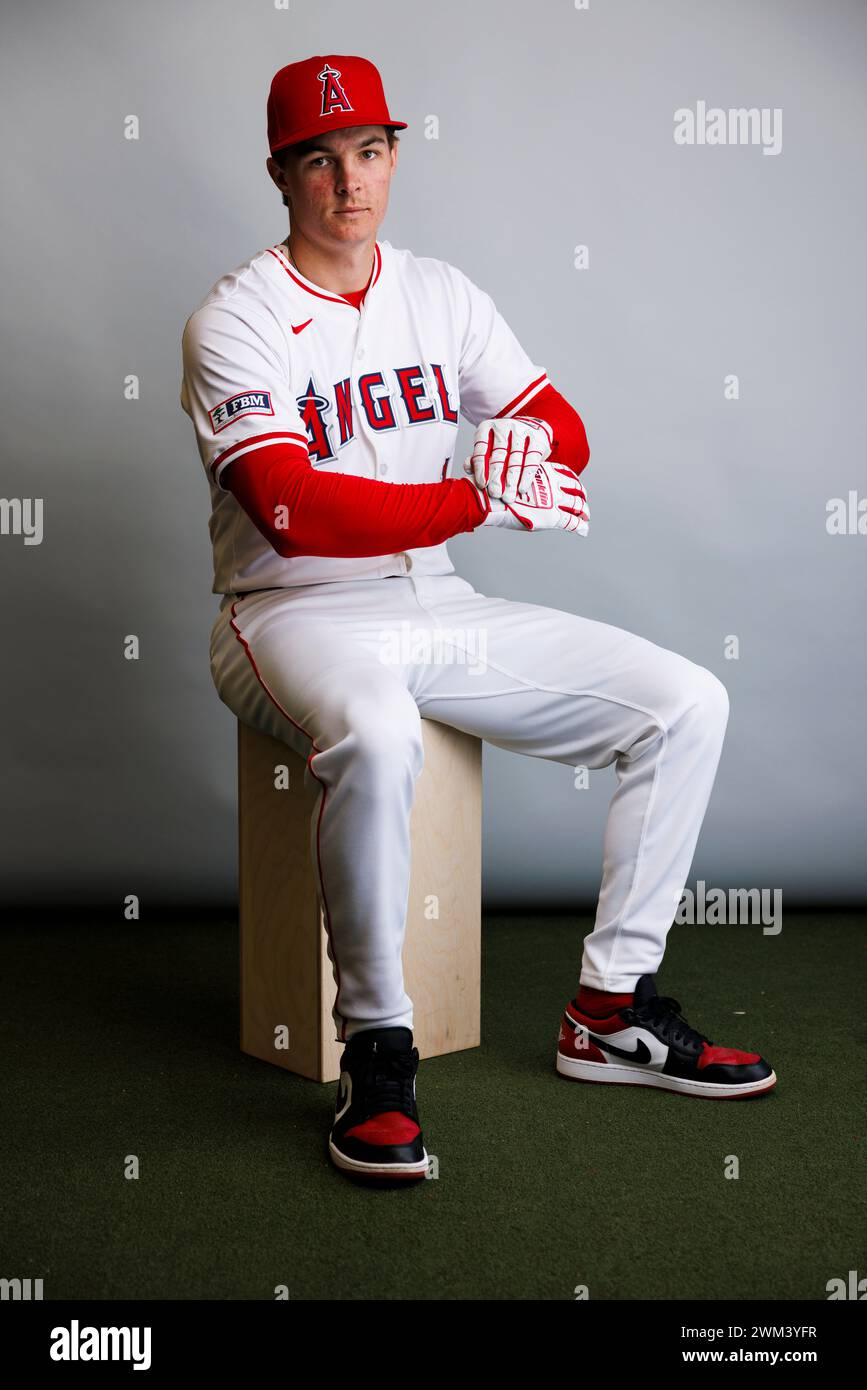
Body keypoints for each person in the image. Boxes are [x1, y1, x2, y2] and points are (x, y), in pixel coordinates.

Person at [179, 54, 776, 1185]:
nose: (349, 182)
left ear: (394, 157)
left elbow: (561, 425)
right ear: (281, 176)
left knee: (689, 701)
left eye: (368, 152)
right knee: (381, 727)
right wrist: (474, 494)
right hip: (288, 610)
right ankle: (378, 1044)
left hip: (435, 602)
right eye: (320, 160)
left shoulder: (442, 293)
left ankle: (609, 1008)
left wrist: (527, 451)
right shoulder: (235, 317)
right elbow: (288, 504)